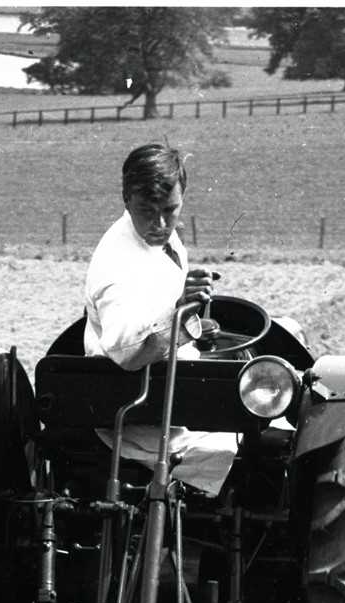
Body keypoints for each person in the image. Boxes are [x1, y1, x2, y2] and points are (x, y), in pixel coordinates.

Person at [83, 143, 237, 496]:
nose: (161, 224)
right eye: (147, 211)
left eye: (170, 210)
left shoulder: (161, 240)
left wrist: (190, 317)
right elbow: (127, 353)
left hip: (169, 393)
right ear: (126, 200)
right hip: (141, 420)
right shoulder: (117, 267)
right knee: (259, 441)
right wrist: (183, 316)